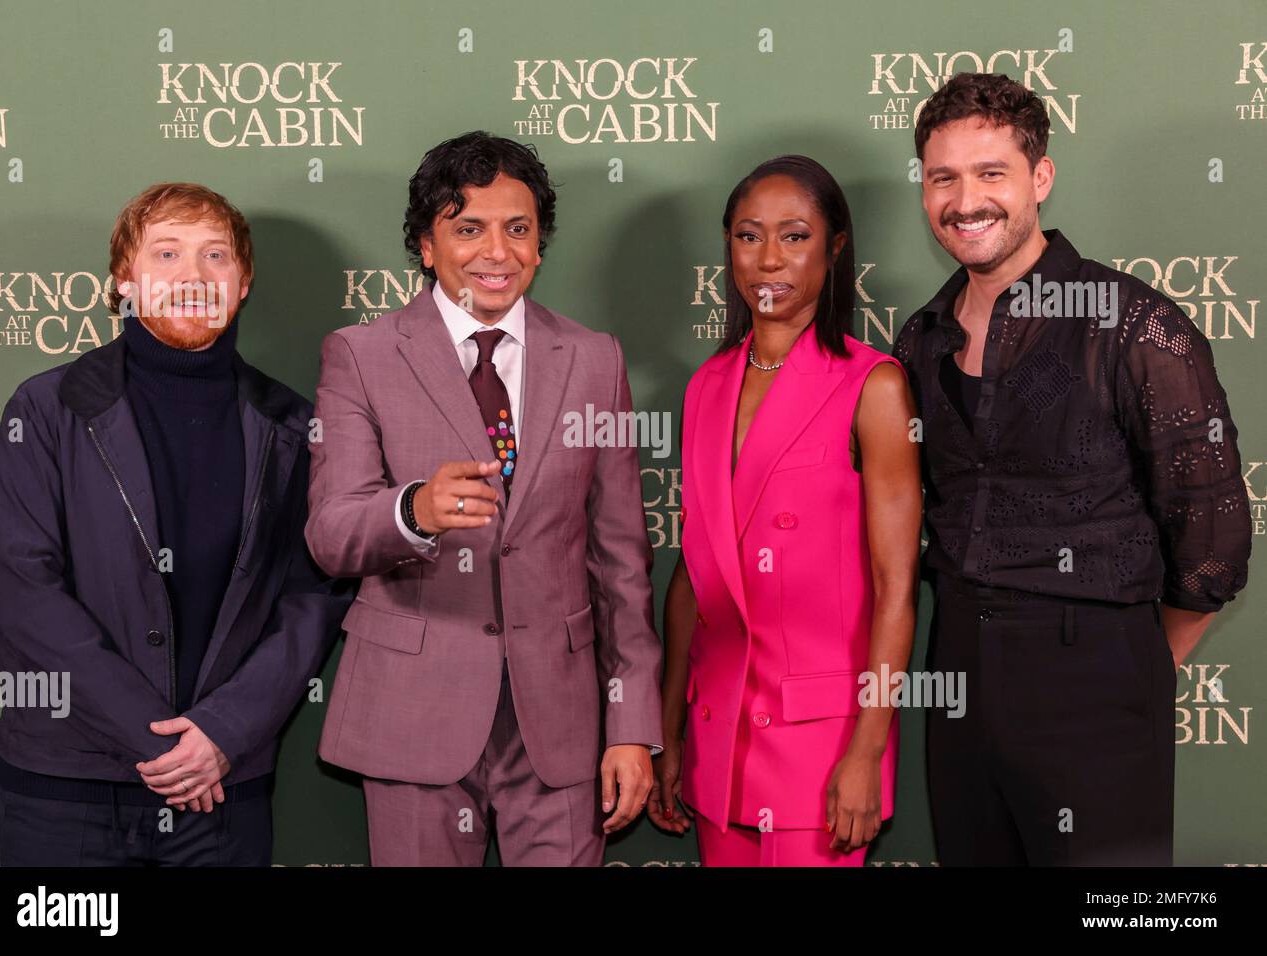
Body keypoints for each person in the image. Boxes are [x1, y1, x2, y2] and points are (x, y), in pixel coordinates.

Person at [892, 72, 1252, 865]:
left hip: (1097, 673)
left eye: (992, 174)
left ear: (1040, 178)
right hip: (956, 671)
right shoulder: (920, 338)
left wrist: (1131, 666)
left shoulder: (1134, 324)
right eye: (943, 178)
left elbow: (1215, 536)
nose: (965, 200)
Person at [306, 131, 663, 866]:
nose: (495, 252)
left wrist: (630, 723)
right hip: (412, 717)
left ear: (540, 245)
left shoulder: (596, 360)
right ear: (426, 246)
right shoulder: (362, 356)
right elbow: (332, 533)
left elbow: (622, 561)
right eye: (467, 228)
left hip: (561, 730)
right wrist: (412, 512)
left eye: (518, 228)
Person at [0, 182, 353, 866]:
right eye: (167, 254)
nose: (193, 276)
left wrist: (221, 731)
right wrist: (157, 738)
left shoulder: (295, 426)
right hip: (66, 787)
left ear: (242, 283)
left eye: (215, 256)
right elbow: (20, 591)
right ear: (124, 280)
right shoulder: (43, 408)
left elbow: (314, 597)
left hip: (222, 788)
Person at [649, 156, 921, 866]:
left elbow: (897, 591)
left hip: (822, 744)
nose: (768, 259)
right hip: (719, 733)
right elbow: (693, 578)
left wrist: (868, 749)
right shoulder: (707, 386)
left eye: (794, 236)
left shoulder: (874, 385)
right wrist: (670, 730)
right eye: (748, 236)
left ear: (834, 249)